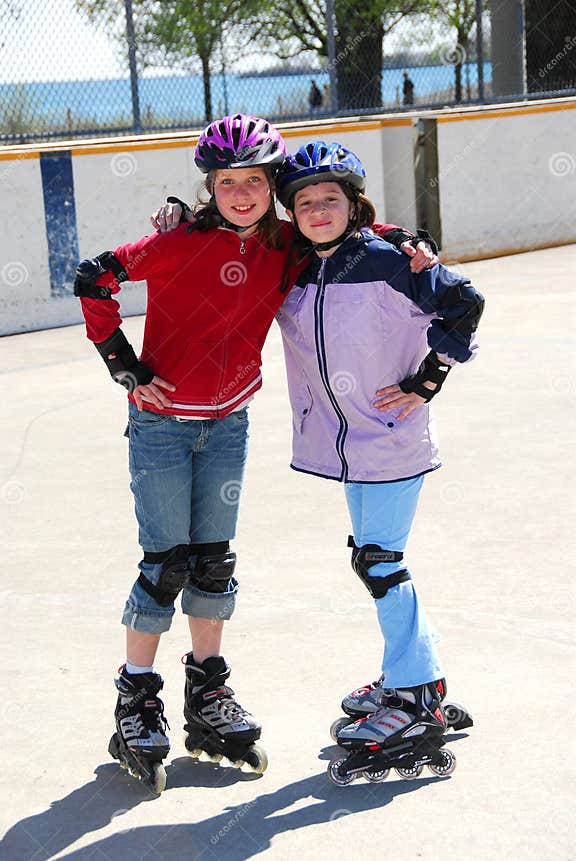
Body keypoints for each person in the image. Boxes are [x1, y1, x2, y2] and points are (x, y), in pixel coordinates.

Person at [75, 114, 435, 792]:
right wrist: (124, 364)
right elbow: (95, 278)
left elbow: (345, 233)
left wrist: (406, 239)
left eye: (253, 181)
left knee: (213, 562)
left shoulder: (284, 246)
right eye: (226, 182)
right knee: (165, 563)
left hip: (228, 421)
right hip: (162, 425)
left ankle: (208, 696)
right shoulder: (178, 240)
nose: (241, 194)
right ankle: (136, 700)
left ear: (272, 183)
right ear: (210, 186)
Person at [273, 141, 484, 785]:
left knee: (380, 561)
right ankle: (416, 676)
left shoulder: (392, 261)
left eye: (329, 199)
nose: (317, 210)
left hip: (392, 435)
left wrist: (428, 379)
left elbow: (464, 302)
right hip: (345, 444)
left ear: (352, 202)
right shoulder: (298, 269)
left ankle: (414, 696)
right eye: (304, 202)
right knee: (371, 558)